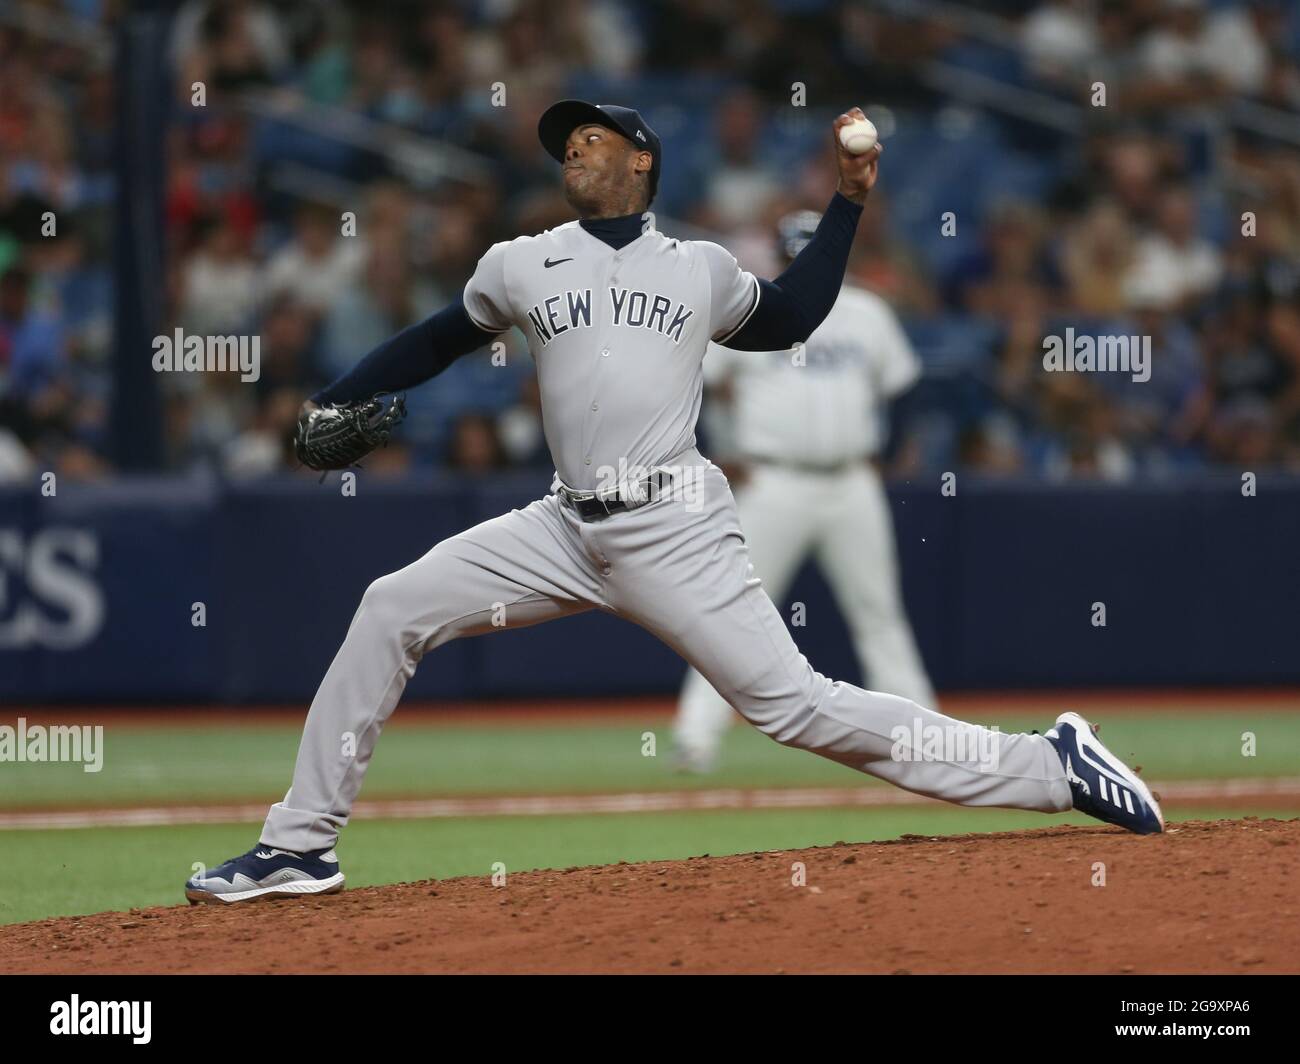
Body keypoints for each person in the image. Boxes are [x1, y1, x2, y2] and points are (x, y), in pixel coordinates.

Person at [186, 100, 1162, 905]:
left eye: (592, 137)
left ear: (642, 158)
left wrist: (848, 202)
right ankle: (300, 844)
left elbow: (792, 315)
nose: (573, 150)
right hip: (561, 525)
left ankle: (1051, 765)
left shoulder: (698, 267)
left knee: (797, 707)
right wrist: (334, 399)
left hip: (674, 526)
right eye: (565, 142)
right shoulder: (521, 260)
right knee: (389, 606)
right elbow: (435, 340)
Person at [674, 209, 935, 772]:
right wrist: (712, 452)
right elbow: (694, 380)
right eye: (795, 255)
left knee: (878, 612)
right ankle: (695, 737)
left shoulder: (867, 313)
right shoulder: (752, 311)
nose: (805, 264)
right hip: (774, 480)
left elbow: (904, 388)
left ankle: (927, 736)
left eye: (812, 253)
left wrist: (890, 453)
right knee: (732, 610)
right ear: (781, 258)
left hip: (851, 481)